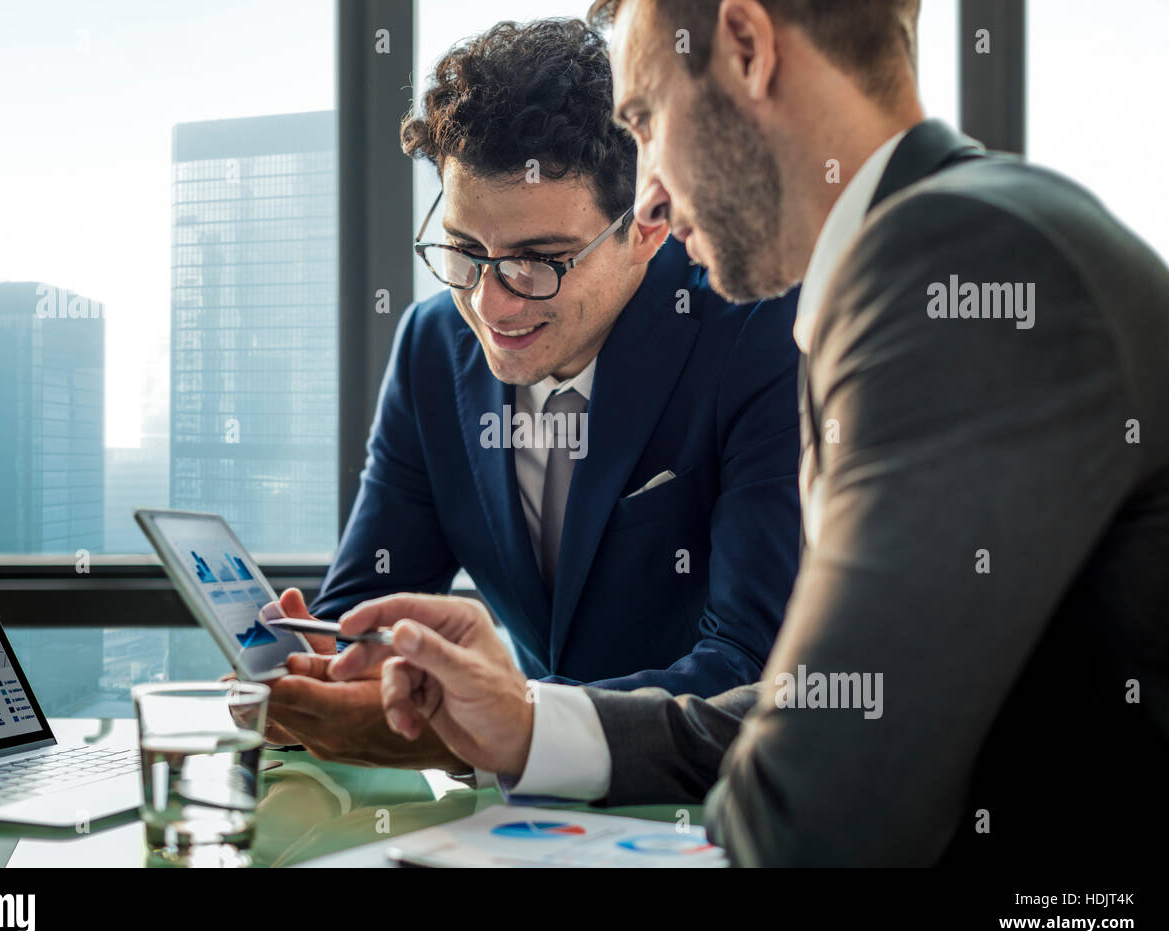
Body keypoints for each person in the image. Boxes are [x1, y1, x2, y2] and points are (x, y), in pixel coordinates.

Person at [327, 0, 1169, 864]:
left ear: (744, 47)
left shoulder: (955, 257)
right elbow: (818, 706)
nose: (649, 190)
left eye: (645, 119)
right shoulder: (926, 250)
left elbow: (825, 803)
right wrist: (523, 723)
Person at [260, 18, 801, 769]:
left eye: (539, 260)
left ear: (647, 223)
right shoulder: (429, 349)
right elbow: (364, 615)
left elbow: (751, 670)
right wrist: (319, 678)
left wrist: (499, 729)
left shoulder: (757, 332)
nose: (491, 304)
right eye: (465, 251)